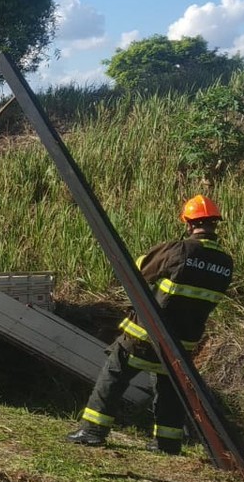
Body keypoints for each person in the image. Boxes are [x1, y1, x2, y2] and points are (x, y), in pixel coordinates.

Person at [66, 195, 234, 455]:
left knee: (114, 374)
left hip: (148, 334)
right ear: (215, 224)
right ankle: (167, 444)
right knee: (169, 387)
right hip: (185, 340)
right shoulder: (225, 263)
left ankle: (92, 431)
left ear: (189, 224)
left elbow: (140, 270)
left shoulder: (180, 250)